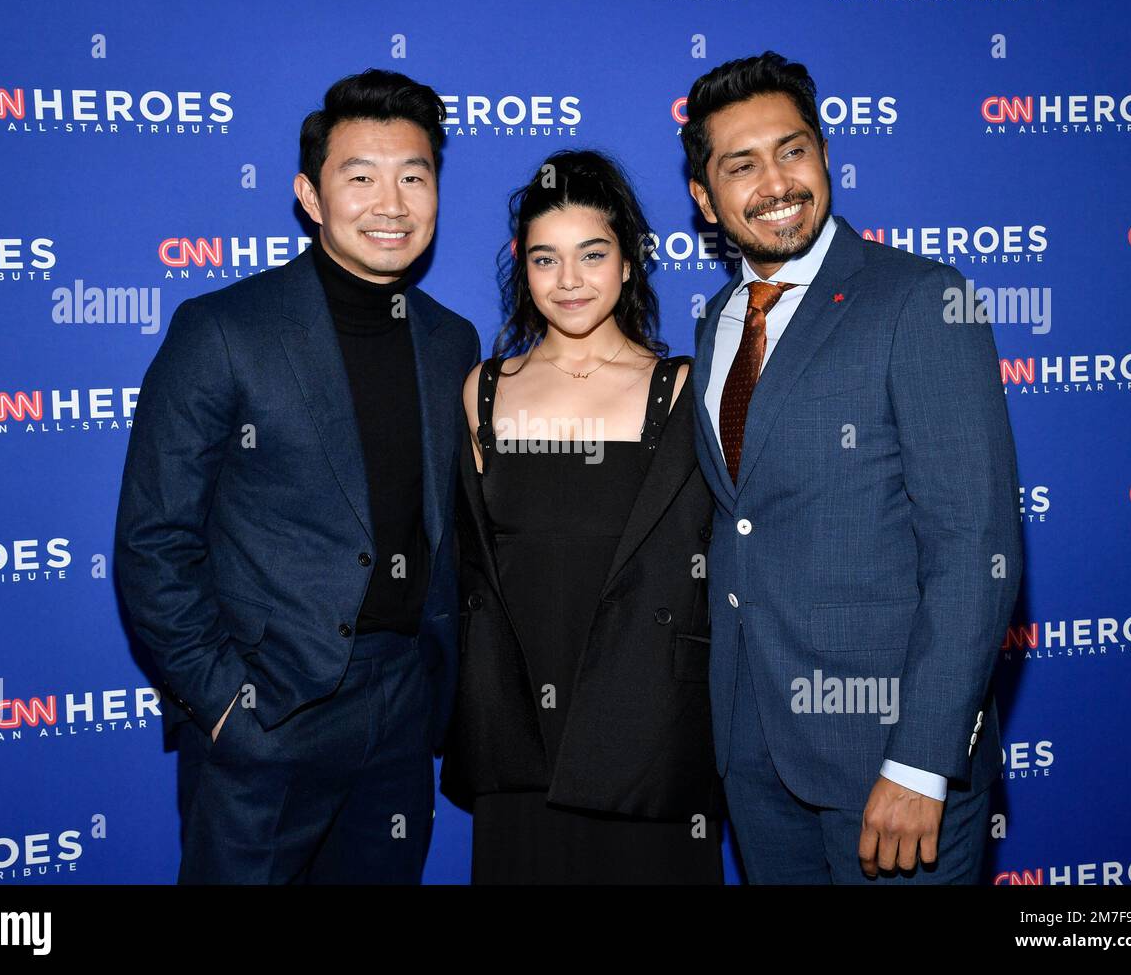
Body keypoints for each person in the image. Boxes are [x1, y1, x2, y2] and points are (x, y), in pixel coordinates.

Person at [114, 69, 479, 884]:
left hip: (402, 710)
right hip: (268, 713)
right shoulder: (222, 330)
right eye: (361, 176)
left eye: (414, 176)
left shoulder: (450, 340)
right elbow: (153, 539)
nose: (392, 202)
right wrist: (223, 704)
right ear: (310, 196)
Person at [681, 52, 1022, 884]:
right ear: (705, 200)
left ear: (826, 155)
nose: (777, 182)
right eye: (742, 165)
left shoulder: (919, 300)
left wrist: (920, 763)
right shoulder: (718, 320)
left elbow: (974, 546)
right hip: (756, 758)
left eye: (792, 151)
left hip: (891, 767)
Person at [439, 150, 724, 884]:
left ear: (628, 263)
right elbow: (473, 571)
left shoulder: (685, 391)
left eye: (591, 254)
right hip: (520, 744)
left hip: (649, 742)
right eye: (545, 259)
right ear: (523, 271)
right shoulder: (485, 392)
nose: (568, 280)